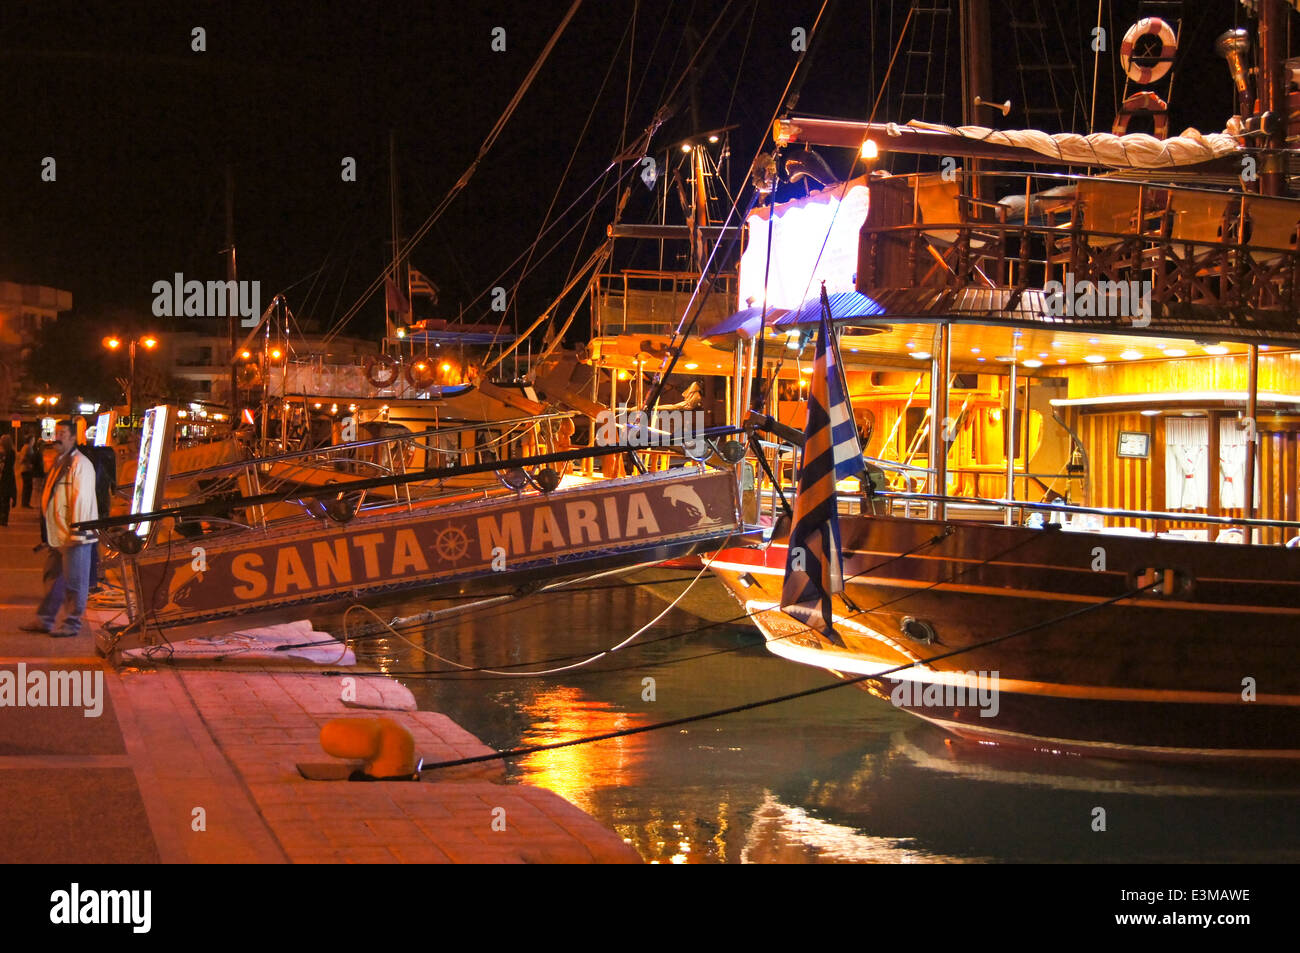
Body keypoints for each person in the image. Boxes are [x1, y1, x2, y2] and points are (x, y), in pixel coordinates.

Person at [19, 420, 98, 638]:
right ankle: (45, 619)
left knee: (75, 581)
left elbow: (82, 500)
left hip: (74, 536)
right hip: (58, 534)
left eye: (62, 433)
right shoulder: (60, 461)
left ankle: (71, 624)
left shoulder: (80, 464)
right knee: (53, 578)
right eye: (56, 433)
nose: (57, 437)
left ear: (73, 437)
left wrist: (77, 531)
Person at [0, 434, 15, 526]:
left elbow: (6, 467)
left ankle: (3, 519)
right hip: (6, 478)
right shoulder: (9, 453)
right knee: (4, 500)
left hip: (4, 478)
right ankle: (4, 519)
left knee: (3, 499)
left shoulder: (6, 453)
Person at [19, 435, 36, 508]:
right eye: (33, 440)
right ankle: (26, 503)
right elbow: (23, 458)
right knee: (28, 487)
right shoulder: (28, 447)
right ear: (30, 440)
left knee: (26, 487)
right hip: (26, 469)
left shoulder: (24, 447)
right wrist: (29, 463)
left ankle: (24, 503)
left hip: (24, 469)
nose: (34, 442)